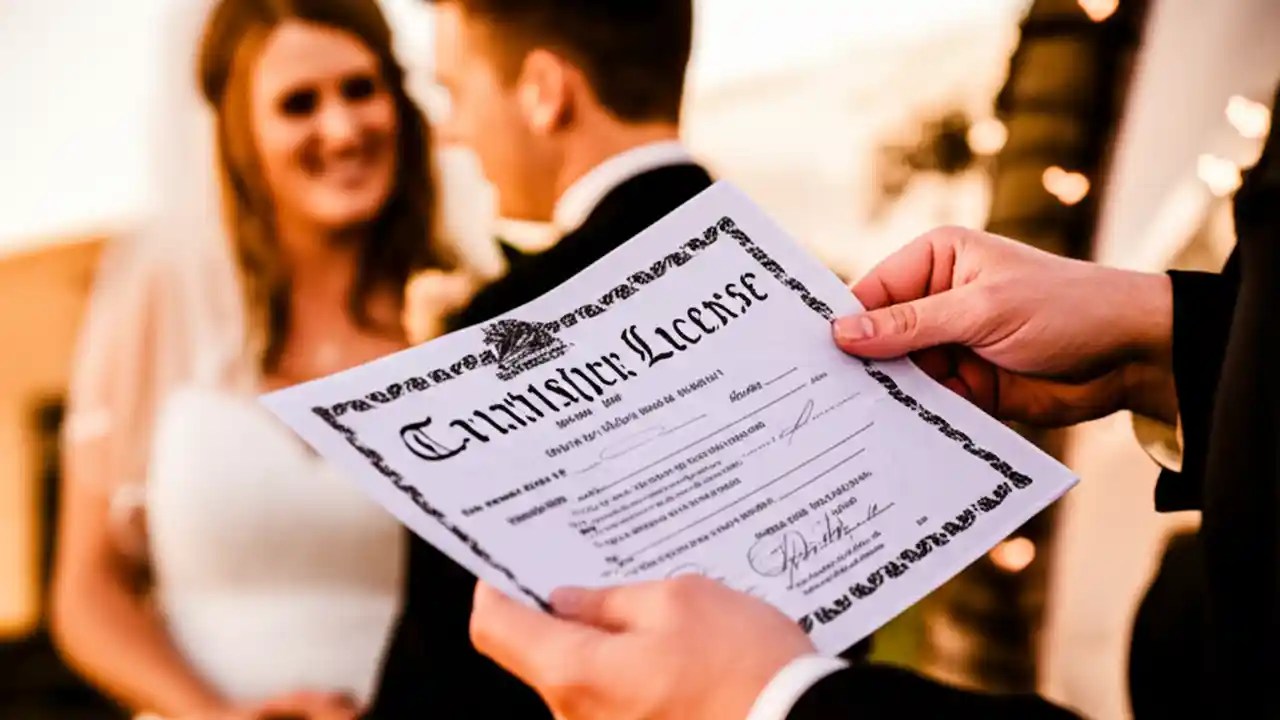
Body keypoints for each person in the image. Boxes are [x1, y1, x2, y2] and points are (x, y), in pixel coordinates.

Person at [466, 78, 1280, 720]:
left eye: (458, 91)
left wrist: (775, 705)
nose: (456, 128)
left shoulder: (492, 317)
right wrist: (1164, 342)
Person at [50, 1, 475, 717]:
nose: (342, 130)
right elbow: (86, 591)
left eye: (360, 89)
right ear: (239, 133)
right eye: (298, 104)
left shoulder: (461, 305)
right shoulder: (159, 298)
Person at [367, 1, 716, 716]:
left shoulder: (502, 334)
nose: (453, 131)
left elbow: (445, 671)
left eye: (457, 92)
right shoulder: (796, 280)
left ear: (543, 91)